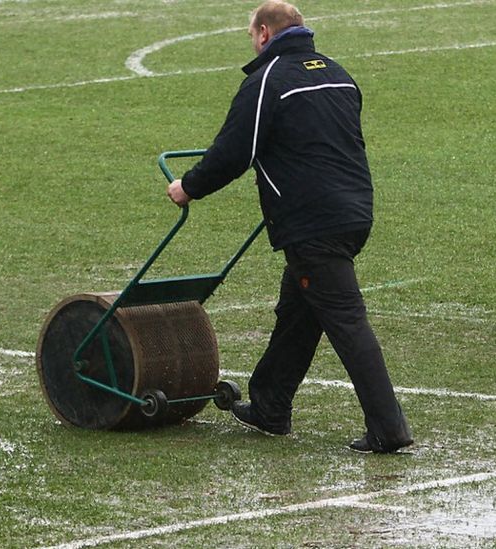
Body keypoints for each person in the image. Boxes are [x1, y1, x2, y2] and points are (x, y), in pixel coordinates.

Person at [166, 0, 412, 454]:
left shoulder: (268, 80)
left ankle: (389, 428)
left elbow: (233, 152)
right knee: (298, 312)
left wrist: (189, 187)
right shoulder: (338, 73)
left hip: (312, 223)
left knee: (346, 320)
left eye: (251, 35)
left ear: (264, 32)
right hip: (354, 212)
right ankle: (270, 405)